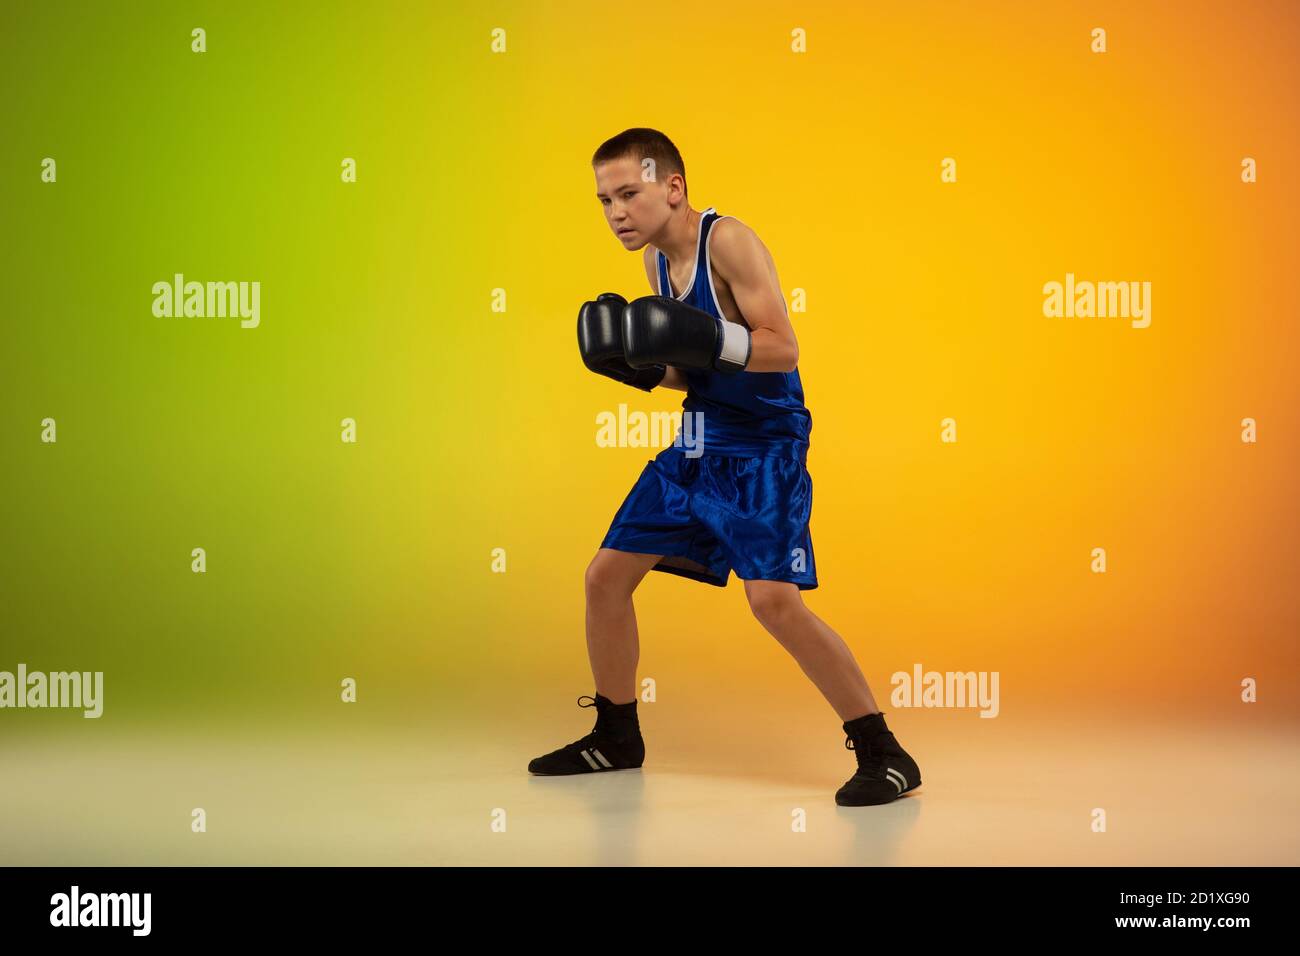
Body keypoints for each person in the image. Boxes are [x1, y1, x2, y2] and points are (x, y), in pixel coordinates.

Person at [529, 128, 922, 806]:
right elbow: (700, 371)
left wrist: (700, 338)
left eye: (629, 193)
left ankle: (886, 753)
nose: (616, 212)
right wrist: (645, 373)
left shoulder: (730, 241)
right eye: (603, 201)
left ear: (672, 186)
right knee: (605, 578)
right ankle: (617, 736)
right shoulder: (656, 265)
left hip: (764, 446)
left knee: (773, 602)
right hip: (698, 441)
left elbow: (781, 349)